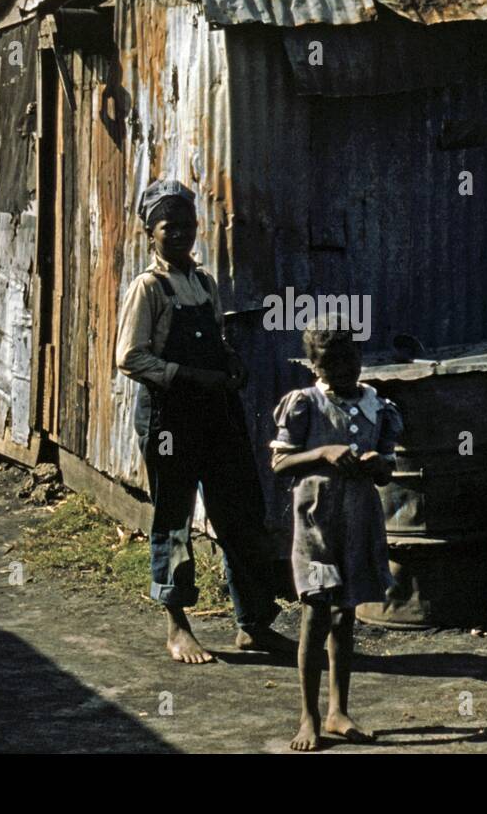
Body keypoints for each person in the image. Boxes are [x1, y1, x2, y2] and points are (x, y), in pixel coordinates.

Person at [115, 178, 293, 663]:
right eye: (169, 227)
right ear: (149, 232)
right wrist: (188, 375)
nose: (181, 235)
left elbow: (216, 337)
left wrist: (231, 362)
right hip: (170, 418)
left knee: (239, 513)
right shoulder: (147, 288)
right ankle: (177, 626)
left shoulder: (204, 282)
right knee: (174, 518)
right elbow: (129, 357)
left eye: (188, 226)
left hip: (218, 412)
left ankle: (253, 622)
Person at [270, 318, 402, 751]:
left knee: (346, 615)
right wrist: (324, 453)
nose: (343, 370)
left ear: (361, 359)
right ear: (314, 366)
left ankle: (338, 711)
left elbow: (387, 470)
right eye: (330, 364)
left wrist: (376, 465)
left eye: (350, 360)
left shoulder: (376, 406)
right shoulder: (304, 404)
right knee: (315, 614)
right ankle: (307, 716)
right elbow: (280, 464)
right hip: (316, 526)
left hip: (359, 522)